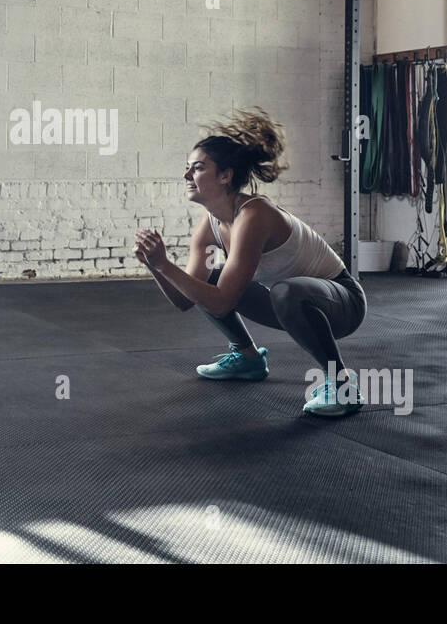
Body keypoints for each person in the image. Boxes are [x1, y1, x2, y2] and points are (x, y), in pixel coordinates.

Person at [131, 107, 368, 416]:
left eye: (198, 168)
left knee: (284, 291)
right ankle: (248, 358)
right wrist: (155, 264)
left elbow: (220, 304)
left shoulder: (255, 215)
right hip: (292, 304)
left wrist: (165, 265)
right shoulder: (210, 225)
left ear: (225, 176)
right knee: (211, 279)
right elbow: (184, 299)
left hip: (342, 303)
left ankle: (341, 385)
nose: (187, 175)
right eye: (187, 168)